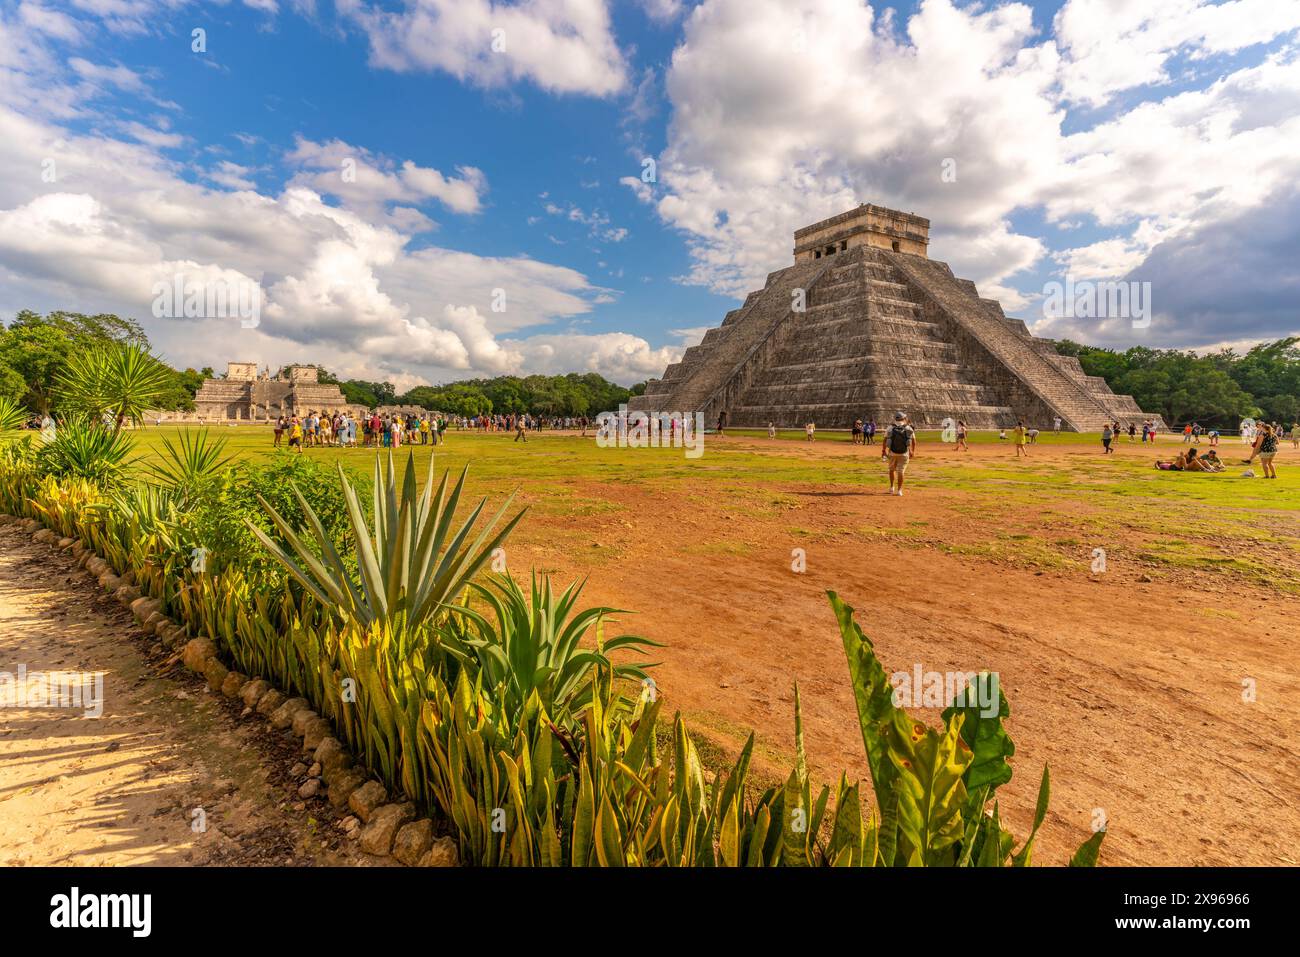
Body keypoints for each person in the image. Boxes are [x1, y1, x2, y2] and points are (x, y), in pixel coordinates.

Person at [881, 412, 916, 496]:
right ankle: (899, 490)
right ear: (904, 418)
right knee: (901, 471)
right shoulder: (908, 428)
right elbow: (914, 441)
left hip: (892, 452)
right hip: (904, 453)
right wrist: (912, 451)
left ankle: (892, 487)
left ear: (895, 418)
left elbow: (885, 440)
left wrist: (883, 451)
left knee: (891, 469)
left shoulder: (890, 427)